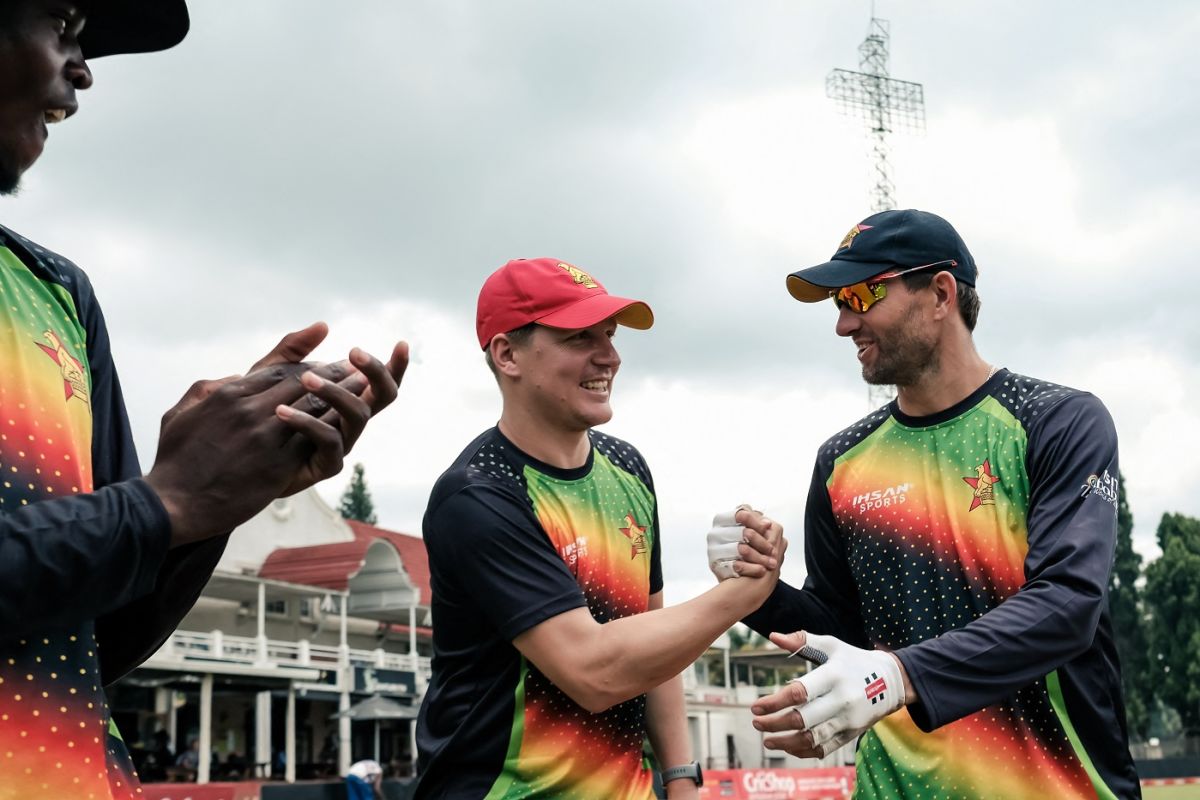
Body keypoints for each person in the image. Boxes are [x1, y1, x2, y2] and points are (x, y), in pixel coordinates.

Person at [0, 2, 407, 797]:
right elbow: (145, 511)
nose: (83, 71)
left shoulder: (57, 294)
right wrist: (170, 499)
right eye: (64, 25)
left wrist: (220, 500)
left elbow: (98, 639)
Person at [724, 210, 1140, 798]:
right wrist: (756, 590)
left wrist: (900, 676)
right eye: (837, 303)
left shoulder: (1057, 421)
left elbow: (1068, 604)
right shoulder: (840, 460)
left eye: (862, 294)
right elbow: (842, 632)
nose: (844, 324)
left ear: (941, 293)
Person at [415, 258, 784, 799]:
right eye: (578, 337)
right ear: (507, 353)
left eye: (609, 335)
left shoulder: (628, 468)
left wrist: (682, 781)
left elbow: (656, 641)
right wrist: (742, 594)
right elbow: (594, 673)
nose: (609, 356)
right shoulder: (478, 494)